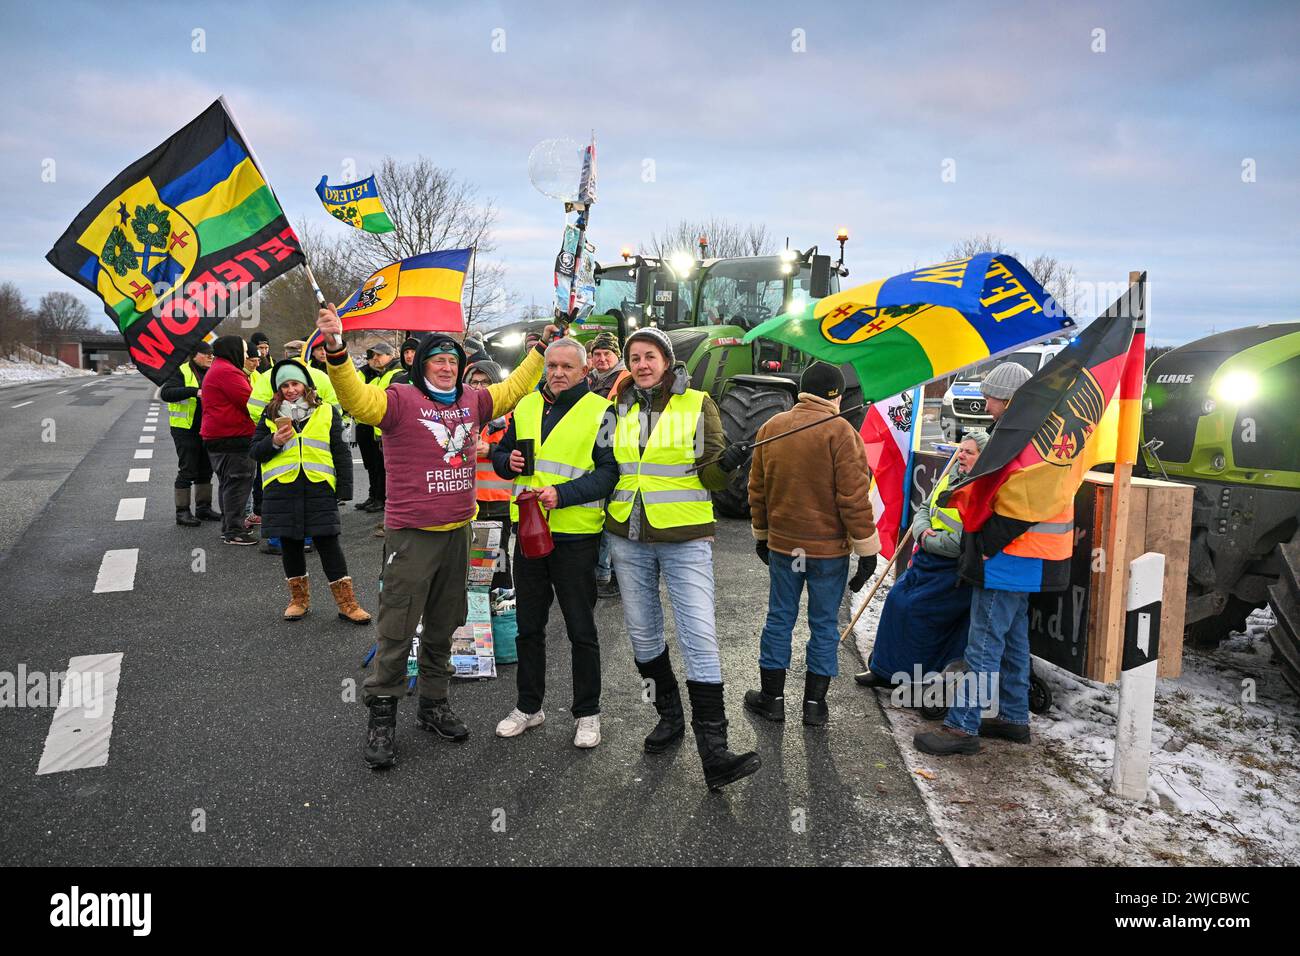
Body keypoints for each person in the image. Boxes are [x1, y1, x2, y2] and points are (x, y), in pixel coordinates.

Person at [316, 303, 558, 769]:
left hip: (457, 532)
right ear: (421, 365)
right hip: (411, 535)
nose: (447, 368)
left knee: (446, 623)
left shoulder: (473, 399)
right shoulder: (399, 400)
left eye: (453, 361)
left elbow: (512, 389)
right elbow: (354, 399)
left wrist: (541, 348)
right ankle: (382, 716)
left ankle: (433, 703)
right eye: (438, 361)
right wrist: (335, 347)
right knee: (397, 627)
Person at [604, 327, 759, 791]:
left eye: (650, 356)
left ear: (667, 361)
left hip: (684, 537)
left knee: (698, 635)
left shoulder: (697, 403)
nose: (642, 364)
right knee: (643, 635)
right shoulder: (619, 407)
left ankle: (714, 753)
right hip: (627, 535)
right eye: (635, 357)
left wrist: (729, 461)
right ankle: (668, 717)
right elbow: (609, 466)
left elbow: (709, 477)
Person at [914, 361, 1069, 756]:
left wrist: (984, 543)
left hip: (1007, 556)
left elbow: (1020, 505)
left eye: (990, 396)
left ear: (1008, 398)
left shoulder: (1022, 436)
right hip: (1029, 556)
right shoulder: (1043, 432)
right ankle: (1015, 718)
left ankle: (962, 727)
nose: (985, 403)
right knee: (1015, 640)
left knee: (982, 644)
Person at [490, 338, 618, 749]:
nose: (558, 373)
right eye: (552, 366)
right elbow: (503, 452)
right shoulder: (526, 405)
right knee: (529, 627)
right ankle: (529, 707)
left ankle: (587, 714)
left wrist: (563, 495)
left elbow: (609, 472)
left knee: (581, 629)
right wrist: (503, 462)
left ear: (584, 372)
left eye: (567, 366)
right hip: (528, 532)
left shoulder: (602, 412)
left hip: (576, 534)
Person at [745, 362, 880, 726]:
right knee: (823, 625)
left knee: (779, 619)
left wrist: (761, 535)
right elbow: (854, 500)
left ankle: (771, 699)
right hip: (828, 552)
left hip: (785, 548)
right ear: (836, 394)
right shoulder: (841, 433)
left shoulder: (771, 428)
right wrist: (868, 553)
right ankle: (814, 706)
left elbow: (757, 491)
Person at [854, 430, 988, 689]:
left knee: (913, 609)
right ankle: (884, 668)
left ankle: (914, 676)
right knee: (895, 599)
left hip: (951, 571)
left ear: (982, 458)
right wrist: (922, 530)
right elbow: (925, 509)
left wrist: (927, 539)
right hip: (927, 562)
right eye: (961, 449)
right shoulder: (951, 478)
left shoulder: (981, 489)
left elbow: (961, 541)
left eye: (968, 452)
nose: (961, 455)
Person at [248, 358, 370, 624]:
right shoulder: (269, 415)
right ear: (278, 390)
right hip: (282, 488)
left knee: (328, 543)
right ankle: (298, 601)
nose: (291, 389)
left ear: (306, 385)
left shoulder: (326, 411)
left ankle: (347, 604)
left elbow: (340, 452)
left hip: (318, 486)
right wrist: (274, 441)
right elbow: (255, 451)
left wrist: (344, 488)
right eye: (285, 386)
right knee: (290, 543)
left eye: (295, 384)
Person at [200, 336, 258, 545]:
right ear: (233, 350)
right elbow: (250, 402)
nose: (245, 356)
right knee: (238, 484)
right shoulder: (228, 372)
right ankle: (234, 530)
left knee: (228, 484)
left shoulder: (219, 368)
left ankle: (230, 527)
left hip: (219, 436)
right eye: (243, 351)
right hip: (232, 438)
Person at [585, 331, 629, 598]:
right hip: (595, 453)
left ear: (617, 356)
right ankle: (602, 571)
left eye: (607, 354)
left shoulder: (624, 381)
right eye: (597, 354)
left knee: (612, 518)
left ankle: (609, 575)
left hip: (616, 453)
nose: (602, 358)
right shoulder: (592, 379)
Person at [463, 360, 514, 588]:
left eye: (485, 382)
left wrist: (490, 450)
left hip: (497, 503)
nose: (479, 387)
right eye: (474, 382)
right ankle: (475, 615)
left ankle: (502, 612)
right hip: (465, 503)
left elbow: (522, 453)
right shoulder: (459, 414)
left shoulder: (510, 416)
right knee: (471, 564)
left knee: (498, 565)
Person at [160, 341, 219, 527]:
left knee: (206, 469)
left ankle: (203, 508)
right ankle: (182, 512)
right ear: (194, 354)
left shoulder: (213, 371)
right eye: (206, 353)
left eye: (212, 354)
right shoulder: (182, 371)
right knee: (188, 470)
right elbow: (167, 393)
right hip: (185, 429)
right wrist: (195, 392)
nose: (210, 356)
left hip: (208, 428)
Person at [354, 343, 396, 514]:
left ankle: (380, 498)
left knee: (379, 466)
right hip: (366, 424)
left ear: (390, 355)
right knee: (371, 465)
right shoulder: (371, 372)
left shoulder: (391, 373)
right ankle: (374, 496)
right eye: (373, 356)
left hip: (377, 426)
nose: (375, 359)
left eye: (379, 355)